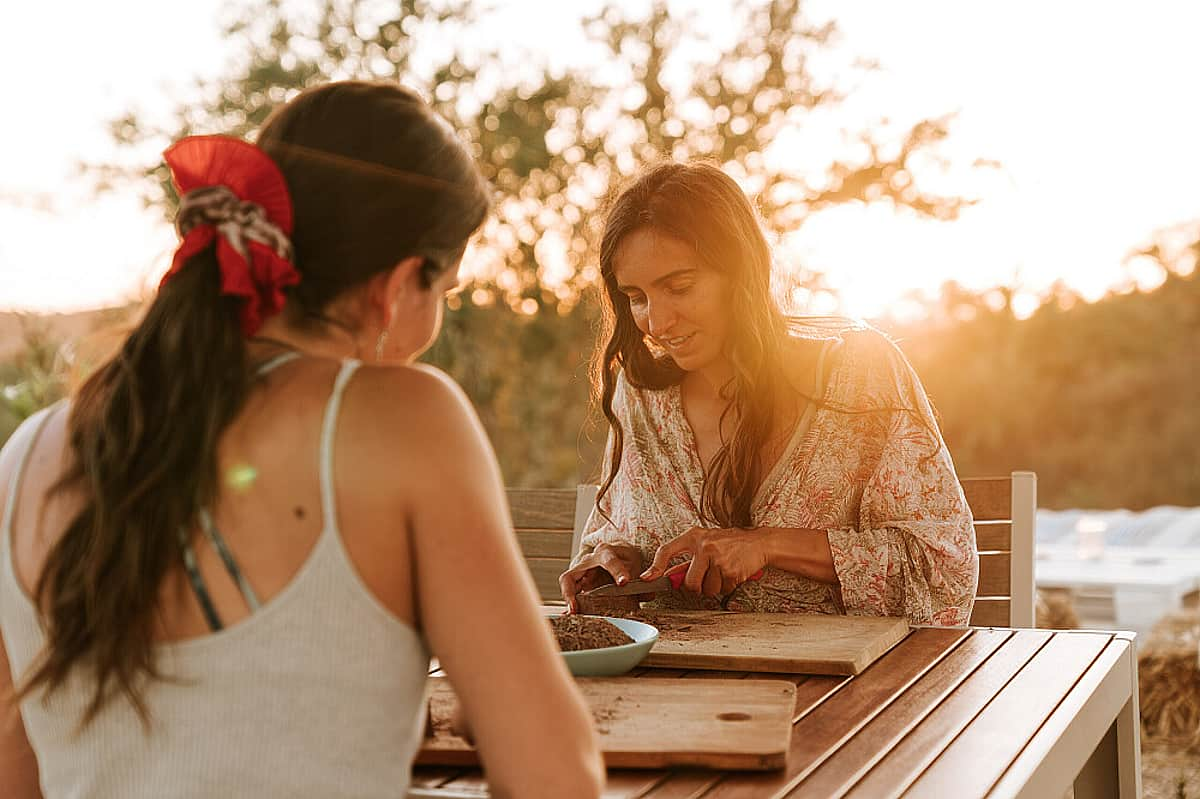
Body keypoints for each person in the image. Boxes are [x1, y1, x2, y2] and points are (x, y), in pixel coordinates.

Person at [0, 81, 603, 799]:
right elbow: (557, 778)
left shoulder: (26, 455)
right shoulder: (409, 421)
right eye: (444, 292)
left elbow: (17, 773)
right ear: (403, 281)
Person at [559, 162, 977, 626]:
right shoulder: (639, 398)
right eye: (636, 297)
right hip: (672, 684)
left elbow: (942, 567)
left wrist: (766, 544)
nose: (656, 324)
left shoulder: (860, 373)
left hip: (844, 687)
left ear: (741, 271)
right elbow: (613, 538)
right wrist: (611, 568)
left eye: (679, 287)